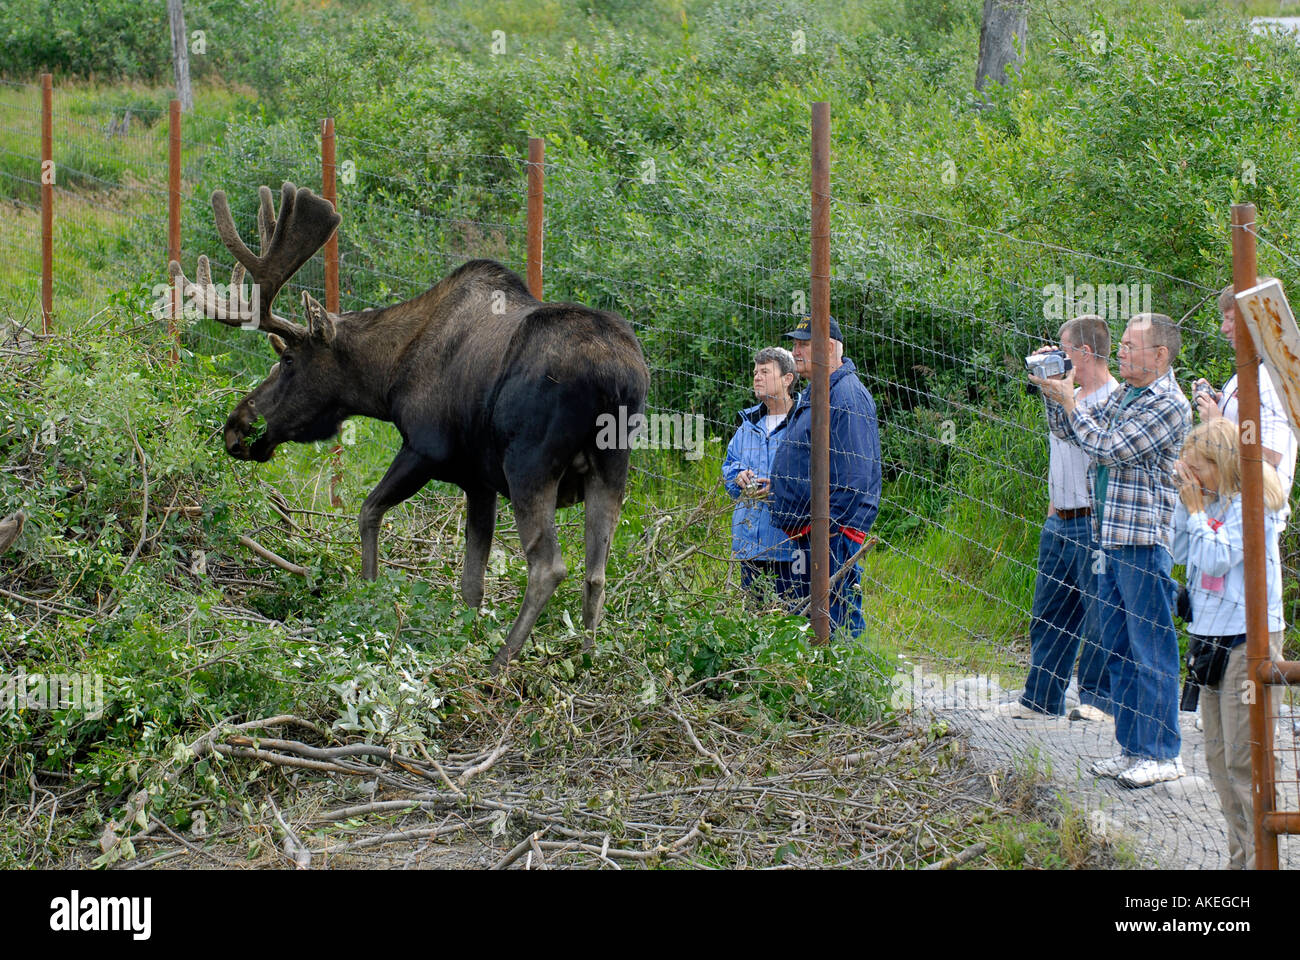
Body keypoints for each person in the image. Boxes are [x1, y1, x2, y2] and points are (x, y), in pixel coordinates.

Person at [1032, 312, 1192, 788]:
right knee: (1118, 647)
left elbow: (1108, 448)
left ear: (1159, 355)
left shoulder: (1168, 404)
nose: (1119, 352)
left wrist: (1070, 403)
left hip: (1142, 541)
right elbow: (1071, 432)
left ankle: (1163, 753)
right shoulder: (1126, 393)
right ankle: (1132, 747)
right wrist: (1054, 393)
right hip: (1110, 536)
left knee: (1152, 649)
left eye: (1128, 346)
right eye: (1119, 344)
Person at [1172, 418, 1287, 868]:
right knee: (1218, 759)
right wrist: (1187, 507)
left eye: (1200, 469)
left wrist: (1198, 511)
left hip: (1248, 637)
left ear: (1223, 463)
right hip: (1210, 638)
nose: (1194, 479)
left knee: (1245, 761)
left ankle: (1263, 860)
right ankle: (1239, 858)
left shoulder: (1254, 505)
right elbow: (1181, 553)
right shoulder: (1209, 499)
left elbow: (1218, 561)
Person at [995, 315, 1118, 722]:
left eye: (1064, 351)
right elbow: (1061, 441)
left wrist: (1061, 395)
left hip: (1095, 521)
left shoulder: (1114, 401)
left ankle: (1098, 701)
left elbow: (1086, 442)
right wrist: (1052, 390)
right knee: (1048, 613)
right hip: (1060, 517)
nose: (1059, 359)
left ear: (1085, 352)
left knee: (1099, 615)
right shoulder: (1072, 395)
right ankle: (1041, 697)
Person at [769, 316, 882, 638]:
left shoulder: (846, 396)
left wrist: (827, 532)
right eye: (795, 344)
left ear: (829, 347)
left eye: (804, 344)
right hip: (812, 533)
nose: (795, 351)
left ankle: (849, 681)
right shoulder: (818, 391)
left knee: (839, 618)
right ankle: (821, 681)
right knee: (814, 617)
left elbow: (855, 477)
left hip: (832, 537)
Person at [1191, 282, 1297, 498]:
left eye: (1231, 319)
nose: (1223, 328)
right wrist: (1221, 400)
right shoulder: (1249, 370)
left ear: (1255, 321)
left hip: (1256, 510)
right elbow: (1248, 426)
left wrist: (1218, 423)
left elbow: (1271, 456)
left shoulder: (1274, 379)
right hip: (1231, 501)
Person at [722, 347, 800, 602]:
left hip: (789, 547)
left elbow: (817, 475)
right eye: (755, 372)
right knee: (753, 623)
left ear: (787, 378)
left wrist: (779, 488)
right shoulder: (747, 425)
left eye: (765, 372)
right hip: (749, 546)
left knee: (791, 621)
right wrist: (737, 476)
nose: (757, 377)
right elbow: (729, 466)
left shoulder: (802, 423)